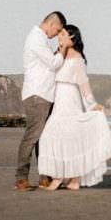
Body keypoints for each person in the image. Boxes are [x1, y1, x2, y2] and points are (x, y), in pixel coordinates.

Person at [37, 24, 111, 190]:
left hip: (70, 99)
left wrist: (92, 104)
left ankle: (63, 179)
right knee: (53, 137)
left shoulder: (78, 59)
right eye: (60, 34)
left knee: (65, 137)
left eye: (63, 34)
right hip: (59, 99)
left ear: (72, 39)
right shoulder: (59, 56)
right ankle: (71, 180)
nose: (59, 37)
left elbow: (84, 85)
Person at [14, 11, 73, 191]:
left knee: (43, 139)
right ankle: (21, 177)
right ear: (52, 25)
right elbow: (54, 64)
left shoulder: (41, 40)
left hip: (44, 94)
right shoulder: (36, 39)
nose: (57, 35)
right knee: (32, 136)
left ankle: (44, 176)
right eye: (58, 31)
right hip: (37, 95)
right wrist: (63, 48)